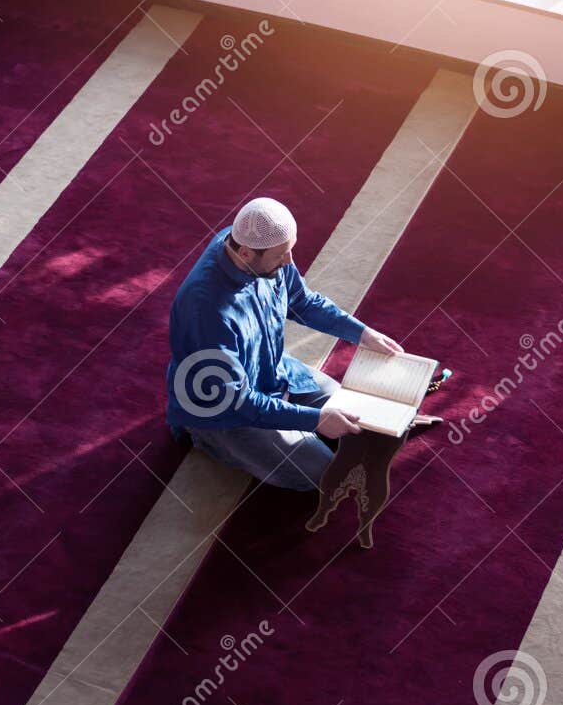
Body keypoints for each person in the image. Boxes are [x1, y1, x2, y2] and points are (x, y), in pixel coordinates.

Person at [165, 196, 404, 491]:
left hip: (273, 372)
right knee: (322, 473)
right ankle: (203, 438)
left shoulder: (256, 247)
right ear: (245, 253)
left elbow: (302, 301)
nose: (290, 261)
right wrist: (315, 421)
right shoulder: (207, 312)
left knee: (357, 415)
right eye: (281, 255)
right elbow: (237, 400)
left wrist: (362, 333)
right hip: (225, 409)